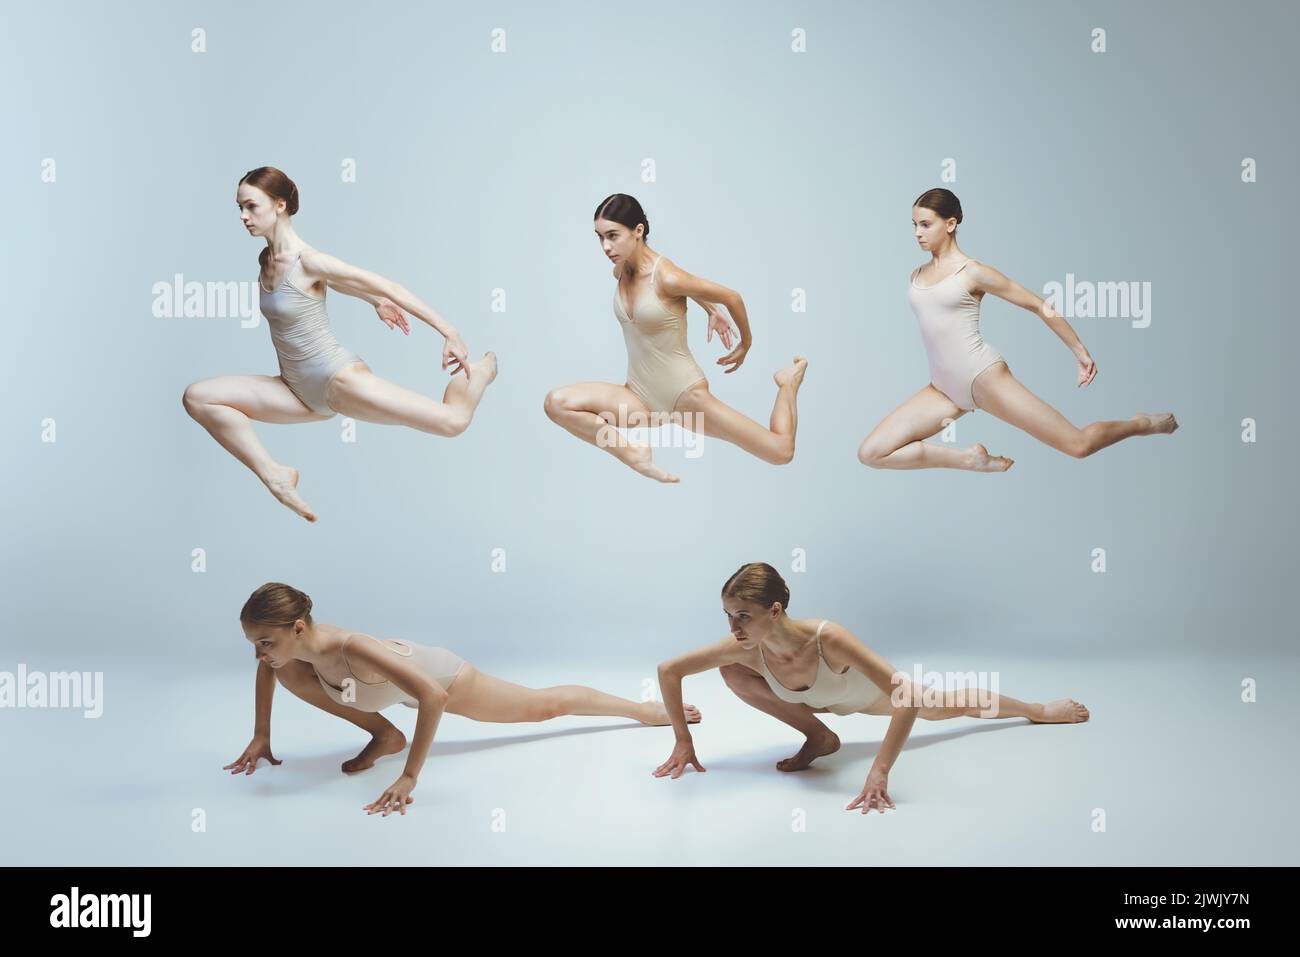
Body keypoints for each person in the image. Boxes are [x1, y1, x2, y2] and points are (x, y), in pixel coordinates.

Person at [183, 166, 497, 521]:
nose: (243, 216)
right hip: (294, 391)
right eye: (239, 207)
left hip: (337, 379)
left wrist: (449, 332)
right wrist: (372, 302)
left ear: (280, 205)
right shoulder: (265, 259)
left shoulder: (309, 260)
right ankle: (275, 475)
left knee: (453, 422)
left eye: (251, 206)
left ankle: (482, 370)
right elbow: (333, 287)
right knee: (198, 397)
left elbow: (384, 284)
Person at [225, 582, 701, 816]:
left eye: (266, 641)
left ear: (298, 628)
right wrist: (261, 735)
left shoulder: (351, 647)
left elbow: (431, 694)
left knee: (543, 707)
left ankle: (641, 709)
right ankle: (385, 735)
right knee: (285, 675)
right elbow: (266, 671)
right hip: (378, 694)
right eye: (255, 642)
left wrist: (411, 776)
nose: (259, 651)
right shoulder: (290, 658)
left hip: (444, 678)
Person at [653, 563, 1089, 814]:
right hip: (807, 699)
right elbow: (669, 670)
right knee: (730, 670)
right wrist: (682, 740)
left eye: (743, 616)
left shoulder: (830, 639)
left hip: (865, 697)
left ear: (775, 608)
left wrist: (880, 769)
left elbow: (909, 698)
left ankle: (1038, 710)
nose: (733, 627)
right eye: (728, 615)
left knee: (942, 705)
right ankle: (820, 738)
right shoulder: (744, 647)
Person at [858, 187, 1176, 472]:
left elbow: (1038, 305)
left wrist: (1078, 350)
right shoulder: (918, 272)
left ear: (951, 224)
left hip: (981, 375)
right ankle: (970, 459)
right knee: (872, 452)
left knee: (1078, 445)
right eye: (914, 225)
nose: (917, 232)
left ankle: (1141, 423)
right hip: (942, 387)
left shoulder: (973, 272)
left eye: (926, 224)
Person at [544, 193, 807, 482]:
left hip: (685, 397)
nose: (606, 246)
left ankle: (788, 383)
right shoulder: (621, 270)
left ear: (638, 231)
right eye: (599, 237)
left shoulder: (666, 275)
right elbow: (675, 295)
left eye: (613, 236)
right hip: (638, 397)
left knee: (780, 451)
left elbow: (732, 296)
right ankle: (634, 455)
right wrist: (709, 310)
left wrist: (746, 342)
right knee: (557, 403)